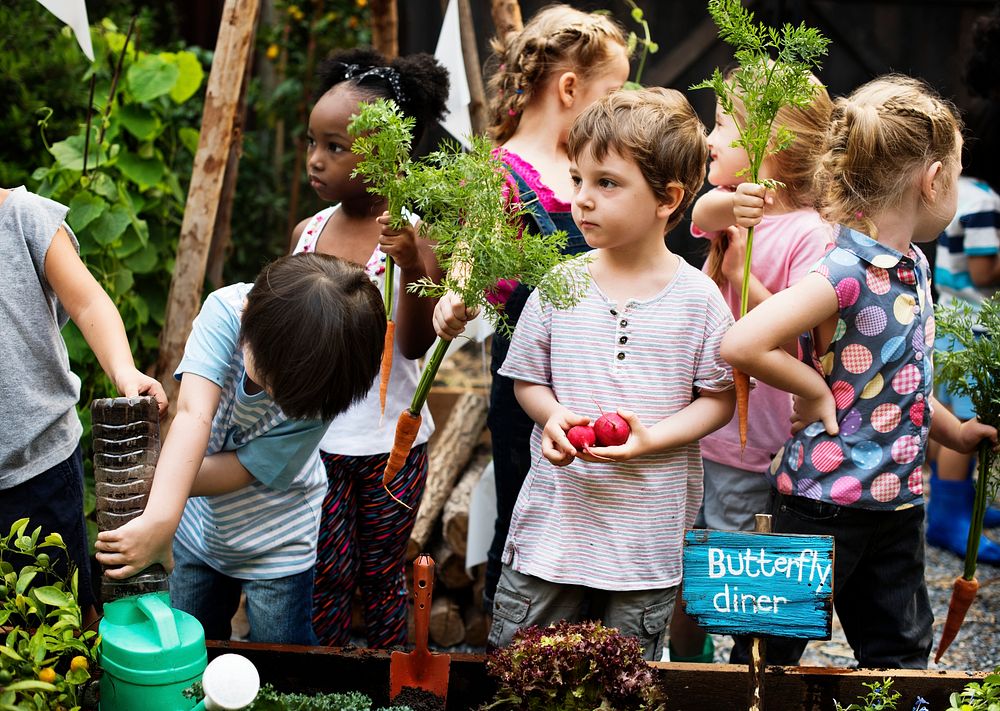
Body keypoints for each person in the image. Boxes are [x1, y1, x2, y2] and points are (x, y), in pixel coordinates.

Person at [722, 75, 999, 668]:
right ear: (933, 181)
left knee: (899, 656)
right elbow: (743, 342)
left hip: (896, 505)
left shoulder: (913, 266)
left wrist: (954, 434)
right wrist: (811, 386)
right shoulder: (843, 269)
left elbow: (905, 376)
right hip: (821, 504)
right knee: (764, 653)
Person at [488, 88, 735, 661]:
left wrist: (654, 439)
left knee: (626, 679)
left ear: (667, 199)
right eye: (577, 180)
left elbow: (717, 399)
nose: (583, 201)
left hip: (643, 541)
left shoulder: (699, 300)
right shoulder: (560, 282)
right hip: (555, 525)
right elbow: (527, 380)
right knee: (521, 666)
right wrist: (553, 419)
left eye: (607, 183)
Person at [431, 4, 631, 612]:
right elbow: (470, 250)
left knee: (601, 509)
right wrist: (456, 292)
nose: (619, 106)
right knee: (525, 510)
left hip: (607, 374)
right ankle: (512, 635)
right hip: (530, 382)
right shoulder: (502, 174)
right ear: (570, 88)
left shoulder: (593, 170)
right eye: (613, 93)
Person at [95, 253, 386, 644]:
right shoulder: (225, 313)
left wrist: (158, 489)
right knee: (189, 642)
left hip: (279, 540)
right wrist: (162, 522)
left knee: (281, 654)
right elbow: (194, 415)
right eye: (268, 376)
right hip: (197, 530)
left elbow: (243, 468)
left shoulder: (324, 384)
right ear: (249, 315)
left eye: (290, 393)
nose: (275, 395)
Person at [670, 73, 834, 663]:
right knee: (686, 567)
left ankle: (746, 674)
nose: (710, 138)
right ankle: (683, 671)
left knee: (738, 570)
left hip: (753, 443)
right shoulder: (731, 205)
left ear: (776, 142)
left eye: (722, 124)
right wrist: (730, 205)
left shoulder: (812, 234)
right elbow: (701, 210)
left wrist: (743, 279)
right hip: (699, 428)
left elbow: (803, 340)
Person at [289, 46, 449, 648]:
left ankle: (387, 680)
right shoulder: (307, 234)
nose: (316, 160)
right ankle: (327, 681)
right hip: (313, 445)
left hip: (390, 447)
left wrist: (409, 264)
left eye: (336, 147)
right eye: (313, 143)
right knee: (324, 572)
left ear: (389, 153)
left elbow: (412, 344)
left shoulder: (413, 237)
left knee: (382, 574)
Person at [0, 186, 167, 625]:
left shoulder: (24, 217)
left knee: (65, 615)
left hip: (39, 469)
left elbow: (88, 299)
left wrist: (124, 371)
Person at [926, 4, 1000, 565]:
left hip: (950, 320)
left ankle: (957, 500)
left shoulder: (963, 193)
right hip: (972, 325)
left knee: (950, 411)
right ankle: (948, 514)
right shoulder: (985, 204)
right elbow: (983, 273)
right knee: (969, 420)